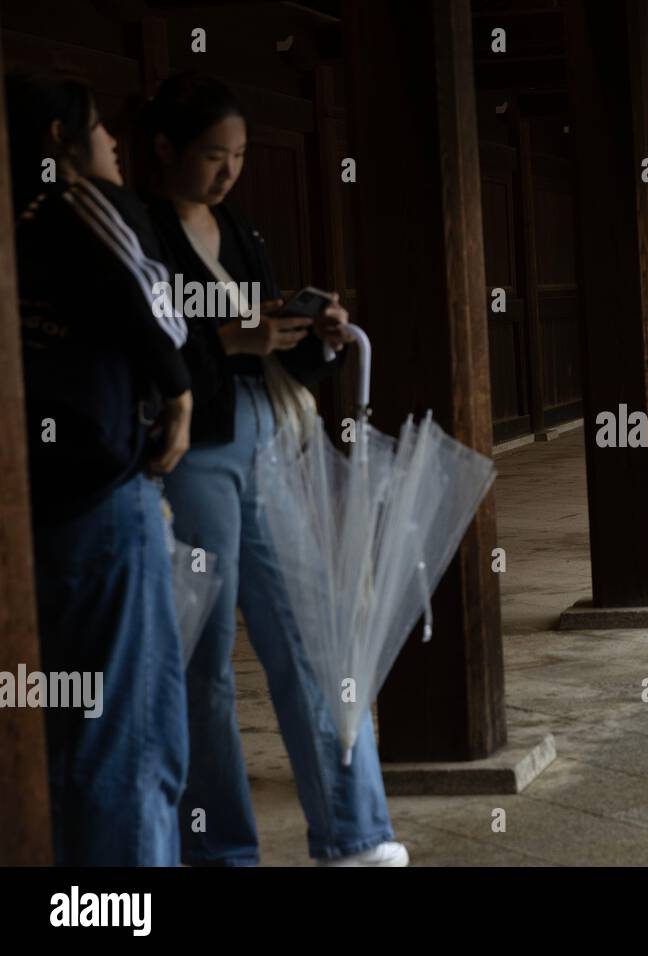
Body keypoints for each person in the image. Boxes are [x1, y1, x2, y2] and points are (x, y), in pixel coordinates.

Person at [140, 73, 407, 866]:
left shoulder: (241, 231)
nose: (228, 173)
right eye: (213, 156)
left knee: (313, 638)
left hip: (268, 434)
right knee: (203, 658)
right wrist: (227, 343)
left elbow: (272, 358)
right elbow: (143, 350)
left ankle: (356, 833)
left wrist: (314, 335)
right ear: (167, 150)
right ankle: (219, 848)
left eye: (241, 156)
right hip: (194, 455)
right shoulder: (144, 233)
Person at [6, 71, 191, 865]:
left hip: (30, 507)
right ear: (60, 141)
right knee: (130, 731)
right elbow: (158, 309)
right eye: (98, 128)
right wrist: (179, 393)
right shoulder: (75, 202)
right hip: (97, 497)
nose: (113, 142)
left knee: (58, 728)